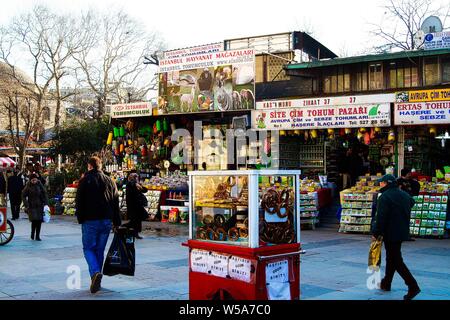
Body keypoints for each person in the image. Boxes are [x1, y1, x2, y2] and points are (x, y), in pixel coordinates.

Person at [75, 156, 121, 294]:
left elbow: (79, 201)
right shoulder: (109, 180)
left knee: (88, 248)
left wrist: (80, 218)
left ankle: (95, 273)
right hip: (106, 220)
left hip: (90, 220)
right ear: (100, 166)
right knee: (99, 250)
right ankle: (96, 277)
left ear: (89, 166)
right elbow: (115, 201)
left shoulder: (85, 181)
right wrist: (116, 221)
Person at [371, 174, 421, 300]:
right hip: (401, 231)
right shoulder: (404, 194)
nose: (380, 184)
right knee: (391, 258)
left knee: (396, 260)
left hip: (390, 233)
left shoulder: (385, 197)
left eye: (381, 182)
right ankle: (386, 283)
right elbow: (412, 201)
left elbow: (381, 218)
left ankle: (413, 286)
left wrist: (376, 233)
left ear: (386, 183)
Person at [22, 173, 48, 241]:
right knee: (34, 221)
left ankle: (37, 236)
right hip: (32, 206)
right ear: (30, 180)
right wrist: (26, 204)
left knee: (39, 221)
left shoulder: (39, 184)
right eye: (33, 180)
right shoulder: (28, 186)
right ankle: (32, 234)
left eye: (35, 180)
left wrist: (46, 203)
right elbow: (23, 195)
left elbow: (44, 193)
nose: (34, 181)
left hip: (39, 205)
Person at [125, 172, 148, 239]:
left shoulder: (137, 184)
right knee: (134, 220)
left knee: (138, 219)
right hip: (132, 205)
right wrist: (136, 184)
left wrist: (140, 186)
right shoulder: (129, 184)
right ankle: (124, 227)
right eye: (135, 177)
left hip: (138, 204)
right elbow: (132, 185)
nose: (136, 178)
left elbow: (145, 190)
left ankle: (136, 233)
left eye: (136, 177)